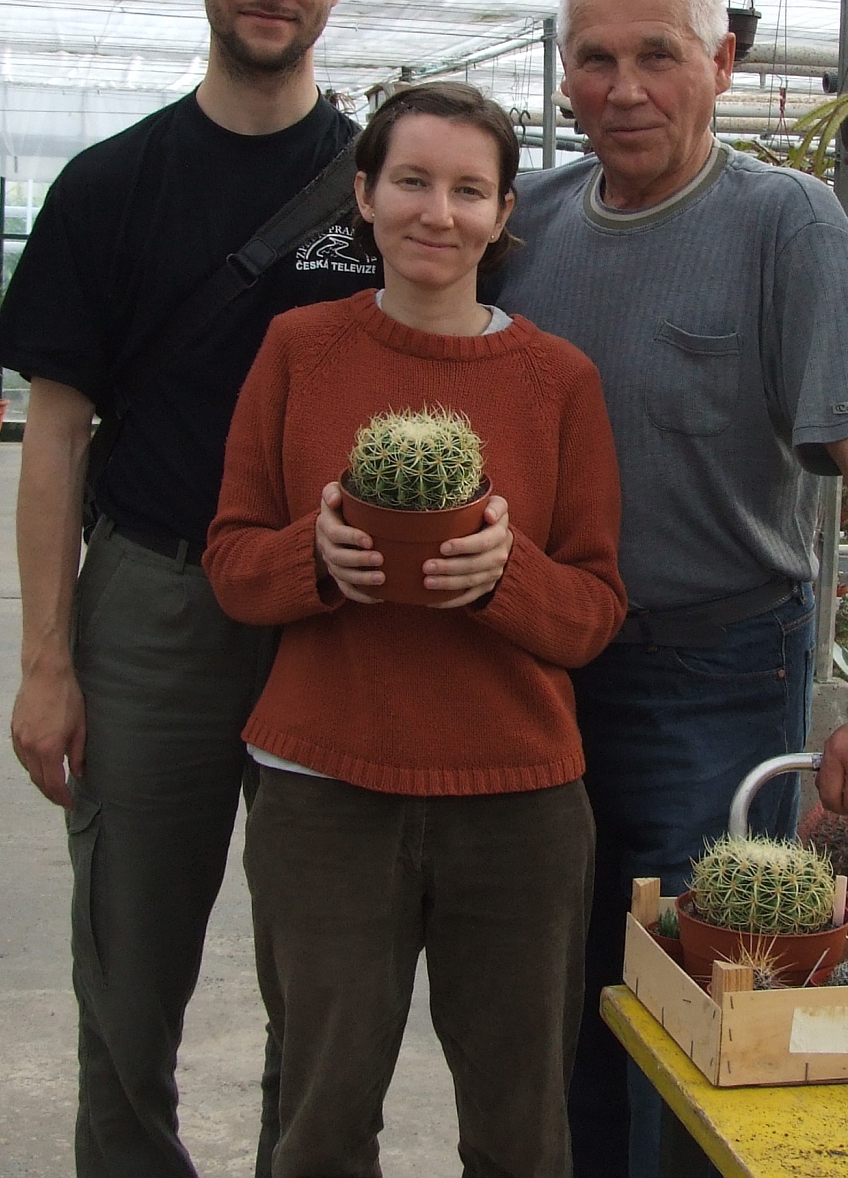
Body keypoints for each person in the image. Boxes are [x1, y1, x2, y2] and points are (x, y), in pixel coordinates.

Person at [0, 0, 509, 1178]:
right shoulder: (111, 185)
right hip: (156, 605)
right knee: (129, 965)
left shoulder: (388, 184)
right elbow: (54, 434)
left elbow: (476, 361)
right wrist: (48, 662)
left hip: (334, 612)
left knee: (323, 981)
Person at [492, 0, 848, 1178]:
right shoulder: (522, 224)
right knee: (564, 984)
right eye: (597, 58)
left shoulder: (781, 224)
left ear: (722, 65)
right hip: (537, 665)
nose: (626, 86)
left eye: (660, 55)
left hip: (714, 670)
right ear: (565, 77)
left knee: (708, 984)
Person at [204, 81, 628, 1178]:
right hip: (324, 788)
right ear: (364, 194)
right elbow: (232, 560)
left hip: (519, 802)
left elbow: (594, 610)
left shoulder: (559, 380)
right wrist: (316, 557)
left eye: (468, 189)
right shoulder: (299, 348)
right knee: (319, 1112)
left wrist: (506, 573)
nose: (436, 211)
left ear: (502, 213)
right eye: (411, 180)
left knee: (521, 1117)